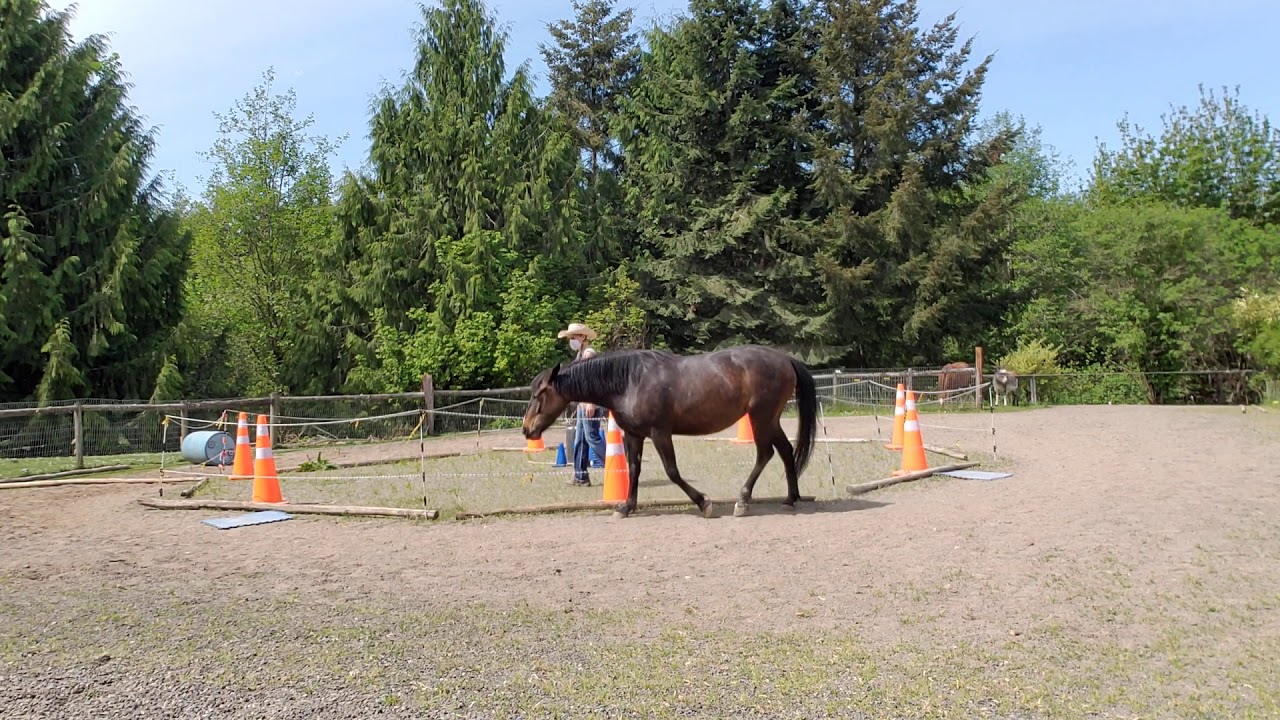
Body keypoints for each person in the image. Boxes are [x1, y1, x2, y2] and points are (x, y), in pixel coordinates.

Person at [557, 322, 607, 486]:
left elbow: (591, 381)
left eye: (574, 336)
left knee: (592, 438)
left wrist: (590, 402)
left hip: (589, 402)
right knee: (580, 440)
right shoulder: (580, 354)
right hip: (582, 403)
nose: (572, 340)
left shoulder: (588, 354)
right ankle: (580, 476)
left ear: (583, 337)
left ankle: (617, 467)